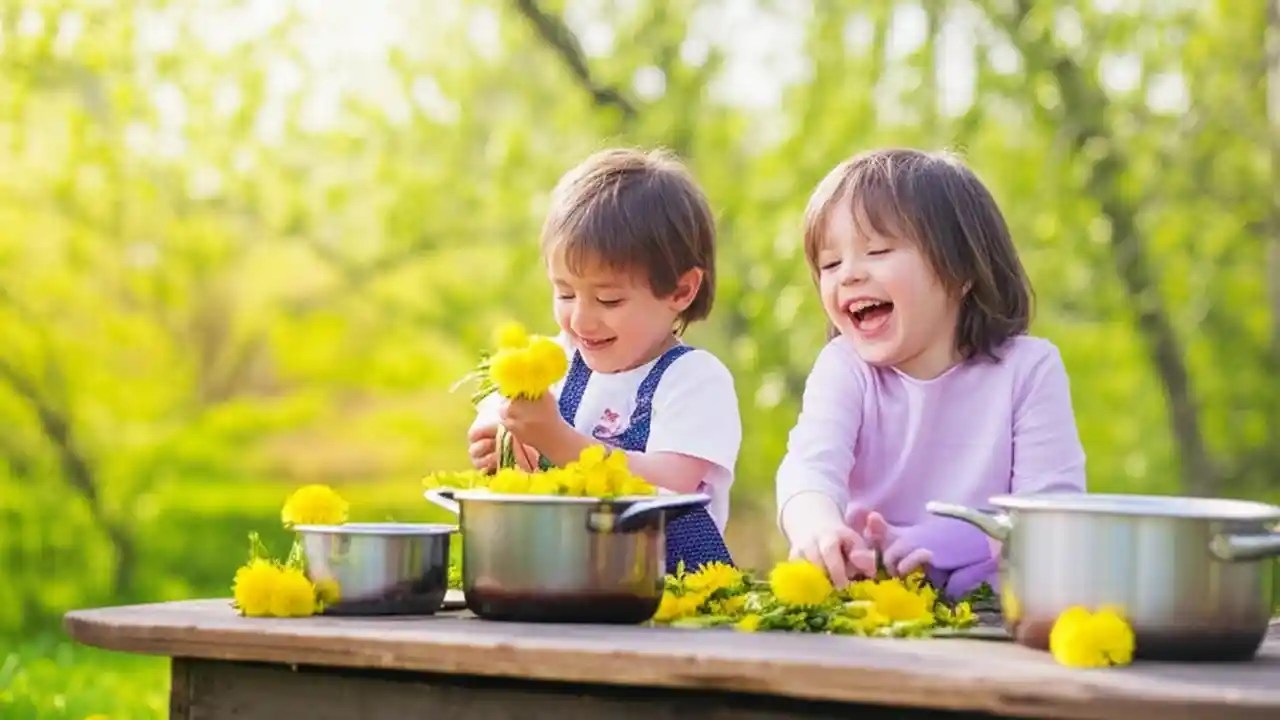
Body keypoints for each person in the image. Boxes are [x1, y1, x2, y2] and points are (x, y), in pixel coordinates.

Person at [775, 148, 1087, 598]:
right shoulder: (846, 368)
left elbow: (1052, 515)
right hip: (871, 603)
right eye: (830, 264)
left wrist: (941, 541)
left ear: (961, 271)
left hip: (993, 612)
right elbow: (809, 468)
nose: (849, 276)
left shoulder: (1028, 370)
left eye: (877, 250)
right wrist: (819, 529)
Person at [467, 147, 741, 572]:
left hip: (667, 590)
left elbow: (671, 482)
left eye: (609, 299)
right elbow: (502, 404)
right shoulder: (557, 358)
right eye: (565, 293)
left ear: (681, 291)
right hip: (557, 576)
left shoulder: (695, 379)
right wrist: (497, 433)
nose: (580, 319)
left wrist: (557, 440)